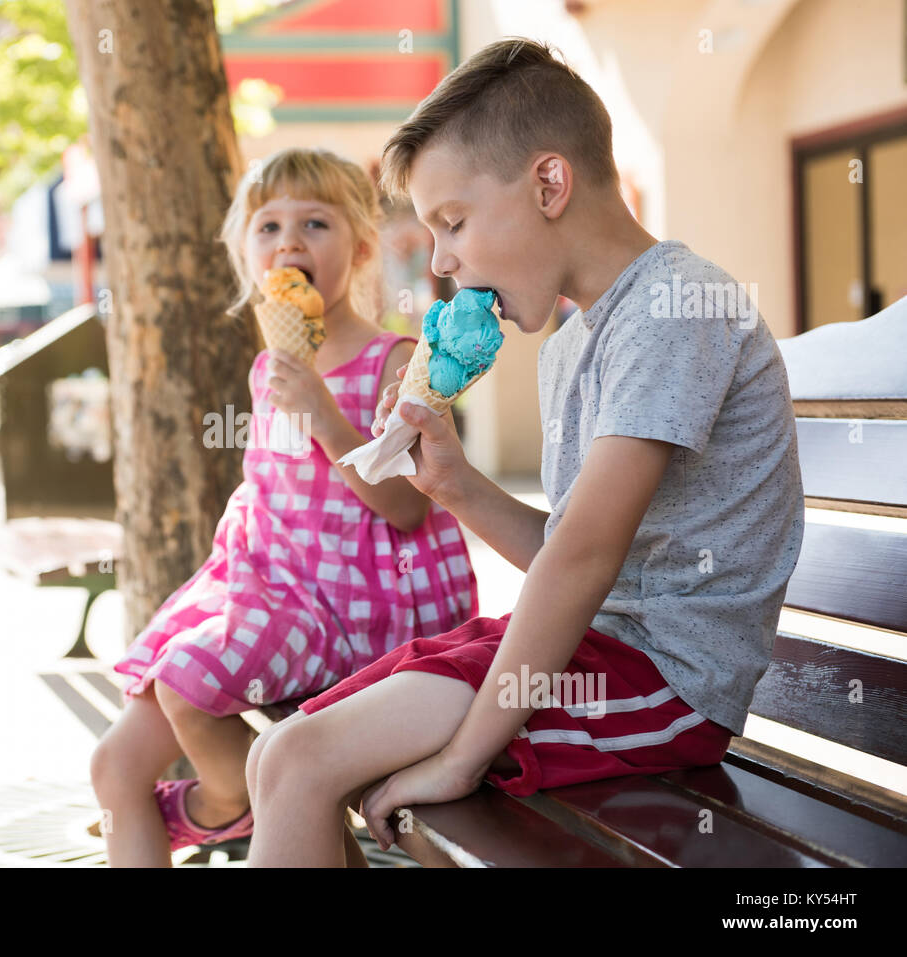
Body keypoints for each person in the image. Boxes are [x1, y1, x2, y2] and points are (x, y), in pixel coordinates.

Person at [243, 38, 806, 867]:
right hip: (588, 651)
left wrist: (463, 756)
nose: (440, 262)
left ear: (549, 183)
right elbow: (568, 553)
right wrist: (458, 486)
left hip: (666, 687)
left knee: (304, 762)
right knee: (276, 754)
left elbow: (581, 561)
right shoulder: (571, 340)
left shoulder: (676, 310)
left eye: (453, 222)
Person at [90, 147, 480, 867]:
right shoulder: (268, 365)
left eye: (315, 223)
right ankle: (247, 801)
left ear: (362, 249)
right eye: (267, 226)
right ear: (247, 255)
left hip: (356, 604)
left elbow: (405, 509)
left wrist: (328, 417)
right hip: (266, 582)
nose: (289, 241)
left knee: (184, 678)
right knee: (112, 767)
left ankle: (224, 805)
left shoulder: (394, 360)